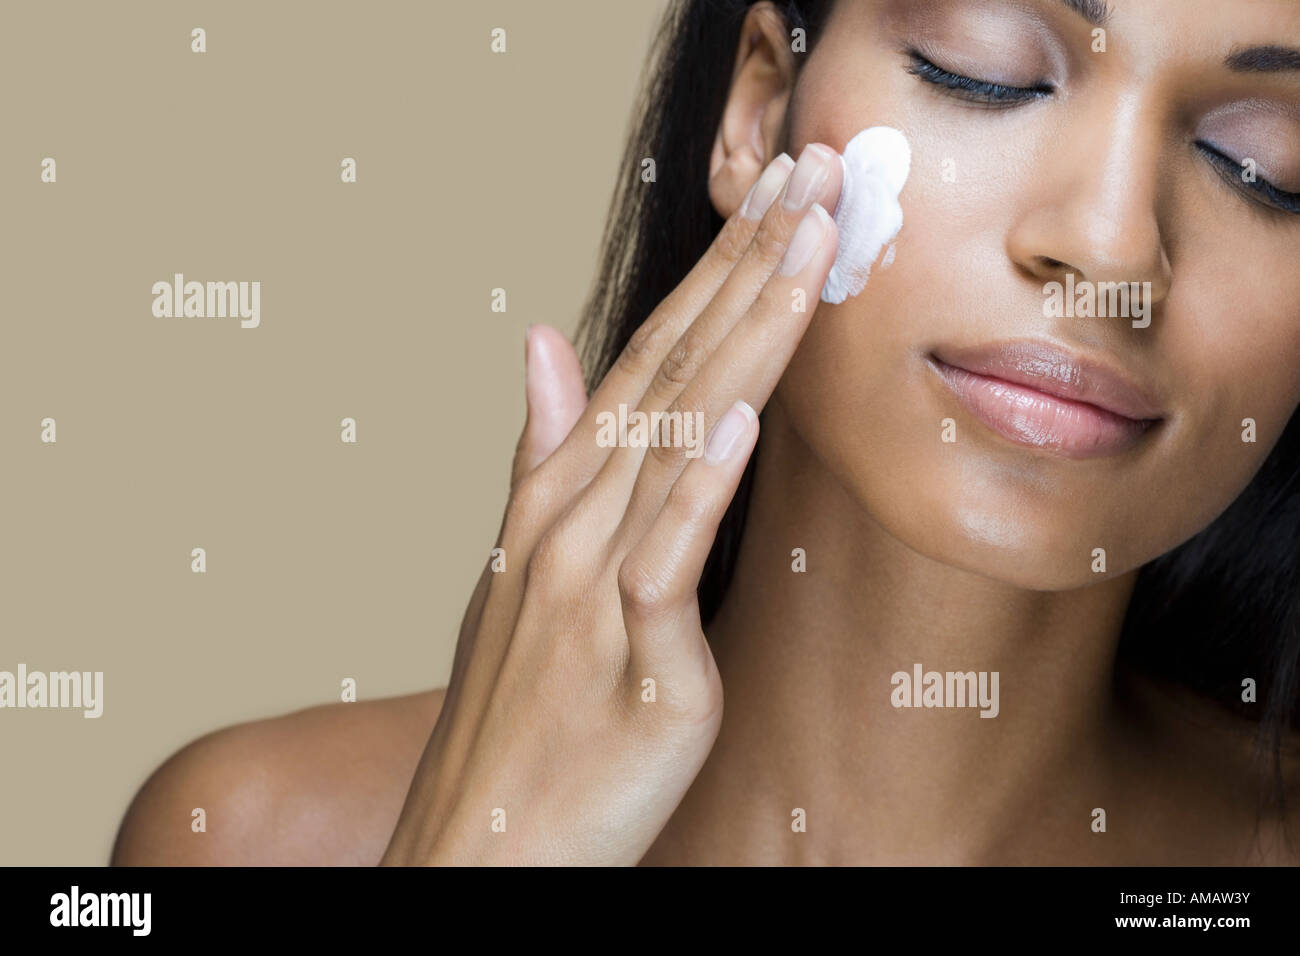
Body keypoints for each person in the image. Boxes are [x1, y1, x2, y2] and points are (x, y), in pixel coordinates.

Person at [113, 0, 1300, 865]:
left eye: (1262, 169)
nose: (1106, 246)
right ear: (755, 114)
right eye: (982, 70)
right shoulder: (249, 832)